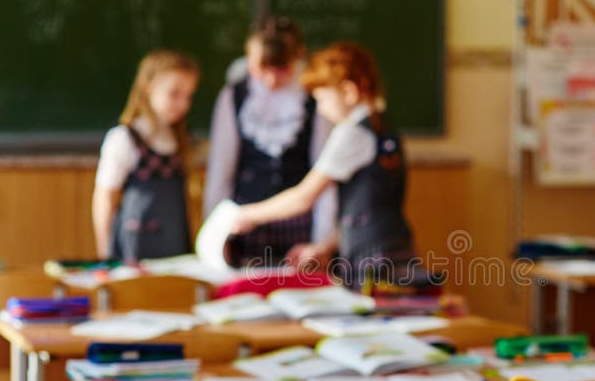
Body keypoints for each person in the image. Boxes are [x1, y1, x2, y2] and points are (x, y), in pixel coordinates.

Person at [232, 42, 415, 285]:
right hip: (394, 248)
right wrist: (325, 246)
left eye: (323, 99)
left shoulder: (352, 133)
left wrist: (248, 214)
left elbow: (303, 197)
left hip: (368, 260)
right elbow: (366, 208)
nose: (321, 110)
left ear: (349, 92)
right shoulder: (384, 127)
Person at [204, 16, 335, 267]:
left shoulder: (313, 98)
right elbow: (220, 171)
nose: (271, 79)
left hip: (299, 232)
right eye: (261, 69)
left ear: (298, 57)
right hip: (243, 229)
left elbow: (325, 175)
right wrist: (215, 235)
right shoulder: (235, 97)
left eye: (281, 68)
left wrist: (321, 241)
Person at [92, 49, 199, 262]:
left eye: (188, 96)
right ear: (149, 87)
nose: (183, 104)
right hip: (136, 248)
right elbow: (105, 198)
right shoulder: (124, 138)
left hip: (174, 246)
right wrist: (105, 254)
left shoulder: (179, 140)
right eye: (174, 93)